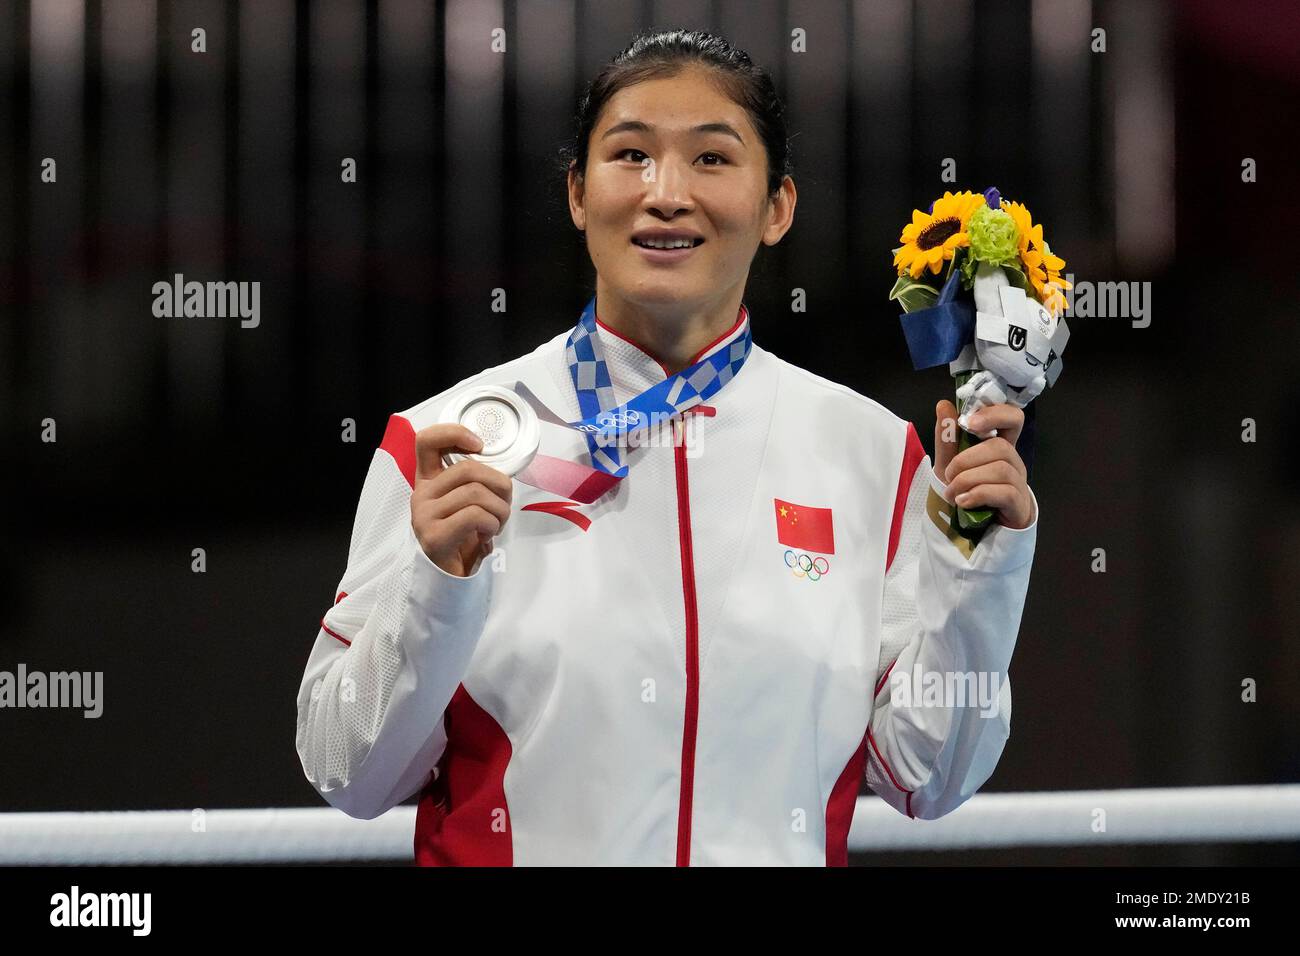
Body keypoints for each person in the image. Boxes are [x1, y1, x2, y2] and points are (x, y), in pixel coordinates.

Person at [294, 29, 1039, 866]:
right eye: (630, 155)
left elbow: (927, 777)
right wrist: (434, 587)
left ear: (778, 207)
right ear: (578, 193)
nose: (666, 193)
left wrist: (980, 573)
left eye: (713, 160)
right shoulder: (448, 438)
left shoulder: (870, 455)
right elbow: (343, 771)